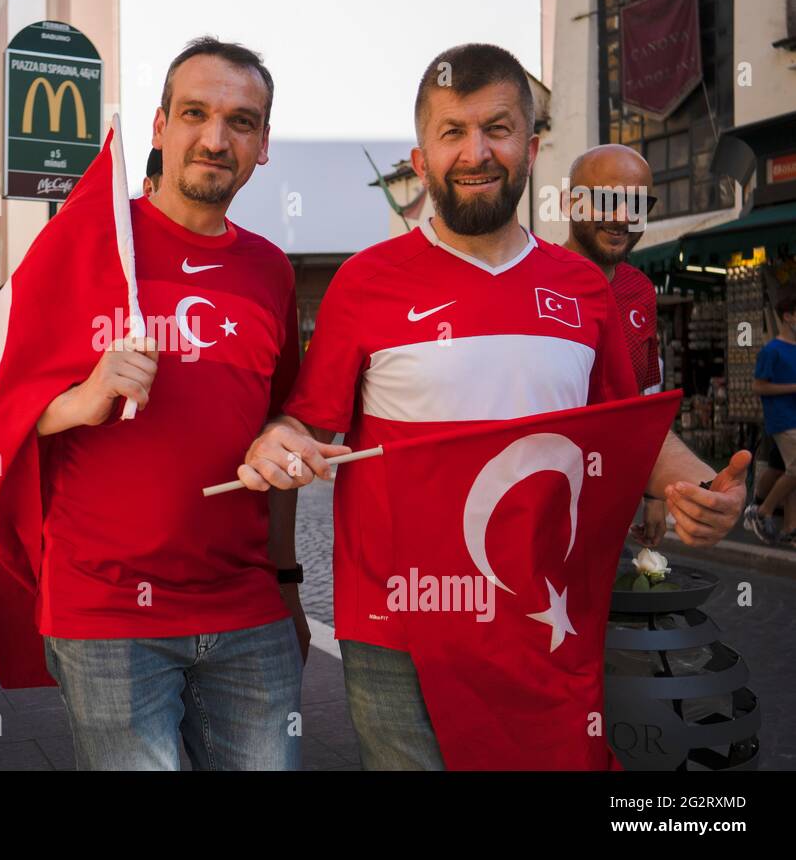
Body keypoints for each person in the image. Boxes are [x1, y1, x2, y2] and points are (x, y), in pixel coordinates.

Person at [238, 42, 748, 770]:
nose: (476, 152)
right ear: (421, 159)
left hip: (544, 625)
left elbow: (625, 431)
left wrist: (694, 484)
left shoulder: (584, 288)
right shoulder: (362, 283)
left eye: (498, 129)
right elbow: (308, 423)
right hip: (398, 629)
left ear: (531, 148)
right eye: (453, 131)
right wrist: (276, 439)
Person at [28, 37, 307, 770]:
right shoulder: (85, 241)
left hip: (247, 610)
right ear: (159, 126)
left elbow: (281, 426)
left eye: (241, 122)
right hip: (108, 612)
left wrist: (287, 581)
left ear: (263, 145)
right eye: (194, 114)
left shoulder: (271, 271)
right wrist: (84, 398)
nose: (215, 139)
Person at [562, 143, 666, 546]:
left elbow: (646, 401)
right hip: (540, 497)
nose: (622, 217)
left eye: (637, 204)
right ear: (572, 203)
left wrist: (654, 490)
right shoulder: (532, 278)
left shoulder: (641, 290)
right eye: (607, 200)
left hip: (612, 502)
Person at [745, 286, 796, 545]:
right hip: (783, 419)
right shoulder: (772, 350)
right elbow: (758, 386)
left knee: (786, 470)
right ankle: (762, 511)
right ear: (788, 316)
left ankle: (790, 527)